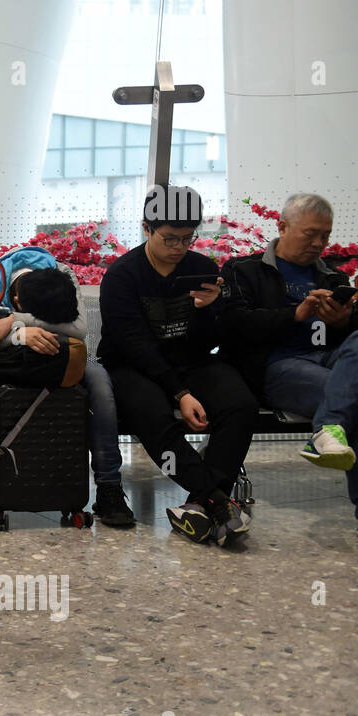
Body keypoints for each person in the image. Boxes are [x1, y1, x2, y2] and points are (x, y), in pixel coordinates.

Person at [99, 185, 256, 545]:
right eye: (169, 238)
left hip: (192, 362)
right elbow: (135, 346)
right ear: (147, 228)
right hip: (132, 367)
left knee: (240, 405)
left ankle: (198, 506)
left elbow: (209, 340)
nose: (179, 248)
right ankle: (217, 500)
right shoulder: (123, 275)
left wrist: (208, 310)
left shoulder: (202, 268)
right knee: (153, 416)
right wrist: (181, 393)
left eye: (187, 238)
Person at [218, 192, 358, 542]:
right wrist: (294, 315)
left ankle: (328, 428)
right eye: (311, 234)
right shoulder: (244, 270)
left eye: (325, 236)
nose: (319, 243)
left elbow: (355, 332)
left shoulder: (332, 276)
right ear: (283, 227)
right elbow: (233, 325)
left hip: (328, 360)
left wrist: (343, 321)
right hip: (277, 367)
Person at [0, 254, 136, 528]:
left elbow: (79, 328)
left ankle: (109, 486)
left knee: (98, 379)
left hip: (55, 354)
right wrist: (18, 336)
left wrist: (15, 320)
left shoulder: (62, 274)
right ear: (16, 298)